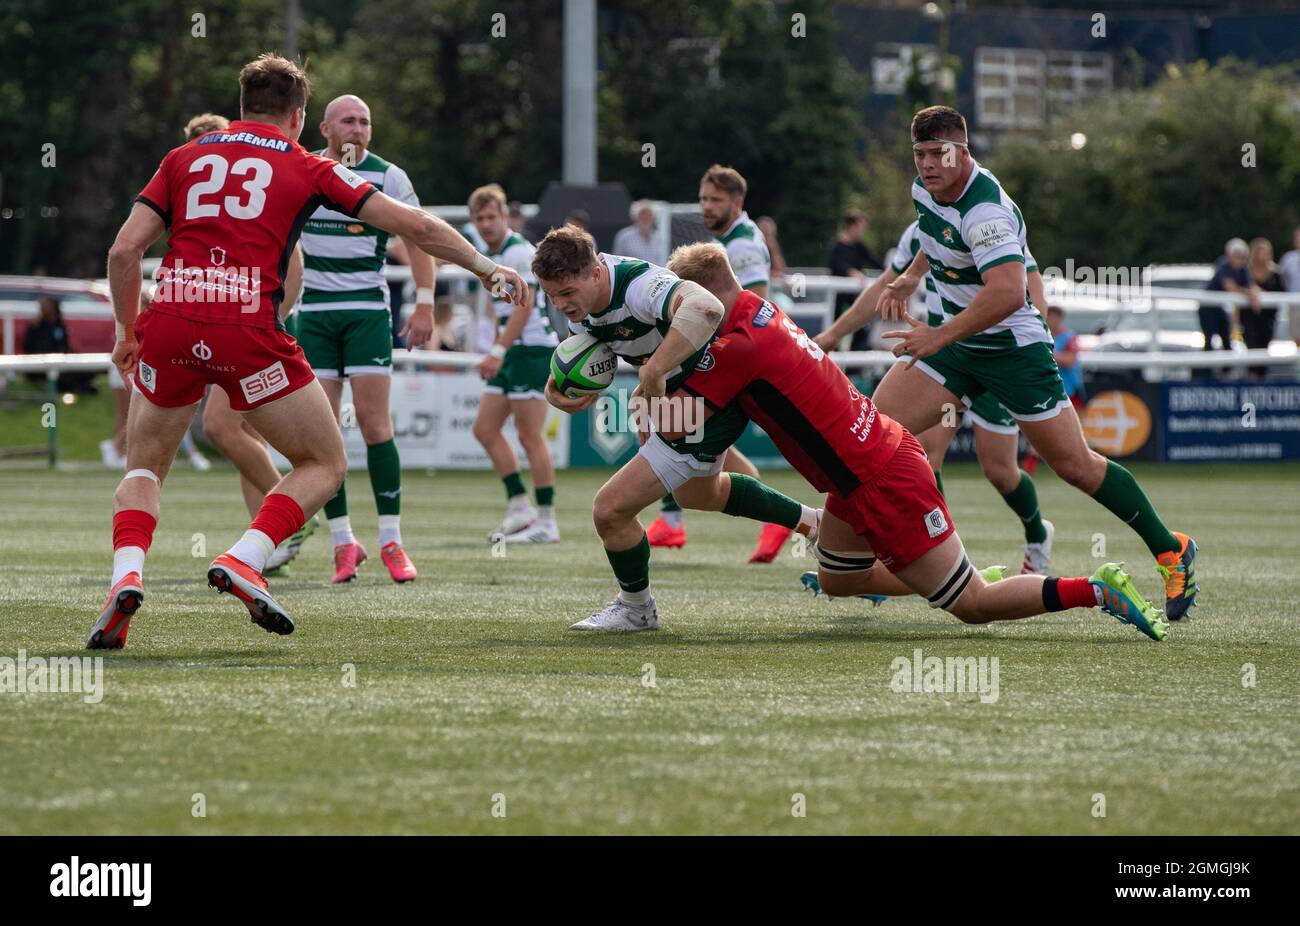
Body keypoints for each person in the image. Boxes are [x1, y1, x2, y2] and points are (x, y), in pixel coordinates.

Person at [87, 54, 531, 649]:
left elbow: (122, 253)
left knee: (144, 467)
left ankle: (126, 577)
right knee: (325, 464)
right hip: (248, 331)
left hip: (170, 323)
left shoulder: (184, 158)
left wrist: (125, 330)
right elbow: (414, 227)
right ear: (299, 117)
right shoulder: (306, 165)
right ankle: (247, 557)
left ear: (243, 104)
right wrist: (484, 267)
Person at [665, 242, 1166, 640]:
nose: (680, 315)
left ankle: (1098, 590)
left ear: (705, 298)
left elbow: (678, 422)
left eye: (683, 302)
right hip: (856, 473)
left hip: (882, 475)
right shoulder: (760, 311)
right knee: (838, 580)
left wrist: (644, 375)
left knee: (972, 608)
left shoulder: (737, 346)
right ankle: (958, 570)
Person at [876, 105, 1196, 621]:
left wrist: (938, 336)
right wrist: (912, 276)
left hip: (1010, 350)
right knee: (874, 430)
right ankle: (913, 556)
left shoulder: (986, 212)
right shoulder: (925, 190)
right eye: (919, 154)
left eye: (939, 153)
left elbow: (1007, 293)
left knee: (1075, 466)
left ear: (964, 149)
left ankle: (1170, 548)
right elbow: (934, 235)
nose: (928, 164)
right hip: (958, 344)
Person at [534, 225, 820, 631]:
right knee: (699, 492)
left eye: (567, 293)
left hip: (709, 394)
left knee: (609, 511)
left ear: (596, 272)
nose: (560, 304)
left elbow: (705, 308)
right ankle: (814, 524)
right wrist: (559, 385)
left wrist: (654, 369)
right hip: (688, 399)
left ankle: (636, 609)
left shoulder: (639, 285)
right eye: (551, 295)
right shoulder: (582, 308)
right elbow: (593, 356)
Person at [816, 220, 1056, 575]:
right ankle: (931, 560)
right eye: (922, 161)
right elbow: (885, 285)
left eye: (935, 160)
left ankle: (1037, 534)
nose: (930, 172)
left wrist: (1023, 353)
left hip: (994, 359)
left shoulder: (985, 220)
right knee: (923, 452)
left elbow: (1030, 292)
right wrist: (834, 334)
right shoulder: (917, 231)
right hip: (946, 359)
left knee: (1000, 471)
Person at [296, 93, 438, 584]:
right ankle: (342, 543)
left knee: (376, 425)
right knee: (323, 435)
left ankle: (392, 541)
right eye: (347, 121)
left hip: (366, 314)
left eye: (364, 122)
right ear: (325, 129)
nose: (357, 129)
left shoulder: (389, 177)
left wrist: (424, 301)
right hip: (312, 314)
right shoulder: (303, 170)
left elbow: (421, 236)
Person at [644, 164, 790, 563]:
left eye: (716, 200)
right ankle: (774, 518)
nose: (706, 206)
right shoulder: (732, 239)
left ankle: (672, 521)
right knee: (700, 439)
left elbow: (755, 304)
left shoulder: (740, 246)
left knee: (667, 422)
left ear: (736, 202)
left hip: (734, 359)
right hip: (732, 356)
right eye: (704, 198)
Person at [467, 184, 560, 544]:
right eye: (480, 218)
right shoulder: (488, 256)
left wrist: (498, 351)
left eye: (492, 216)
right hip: (511, 349)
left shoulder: (519, 252)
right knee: (485, 429)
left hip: (531, 348)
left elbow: (524, 305)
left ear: (505, 216)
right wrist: (496, 345)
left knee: (529, 436)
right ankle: (521, 506)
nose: (486, 223)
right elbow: (498, 308)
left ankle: (548, 521)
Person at [828, 209, 883, 352]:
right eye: (861, 228)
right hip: (839, 299)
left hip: (855, 298)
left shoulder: (859, 246)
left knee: (860, 331)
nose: (863, 232)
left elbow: (876, 262)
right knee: (836, 328)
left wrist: (895, 270)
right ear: (852, 227)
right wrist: (852, 272)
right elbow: (838, 265)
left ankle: (855, 370)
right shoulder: (836, 246)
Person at [24, 297, 95, 393]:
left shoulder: (59, 325)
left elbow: (64, 345)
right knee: (64, 375)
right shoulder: (36, 326)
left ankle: (83, 387)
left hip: (61, 358)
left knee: (84, 371)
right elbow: (29, 347)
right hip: (42, 361)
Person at [1243, 237, 1282, 379]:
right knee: (1252, 348)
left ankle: (1262, 382)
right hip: (1249, 319)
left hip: (1268, 319)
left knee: (1265, 348)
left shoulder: (1276, 274)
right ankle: (1252, 381)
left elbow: (1281, 294)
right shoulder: (1246, 272)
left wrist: (1261, 295)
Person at [1203, 238, 1250, 353]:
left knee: (1227, 340)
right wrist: (1247, 292)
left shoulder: (1243, 269)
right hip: (1209, 308)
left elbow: (1252, 287)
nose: (1238, 259)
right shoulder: (1223, 264)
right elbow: (1230, 287)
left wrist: (1250, 292)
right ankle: (1205, 371)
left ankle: (1226, 370)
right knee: (1209, 340)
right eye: (1236, 255)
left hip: (1222, 309)